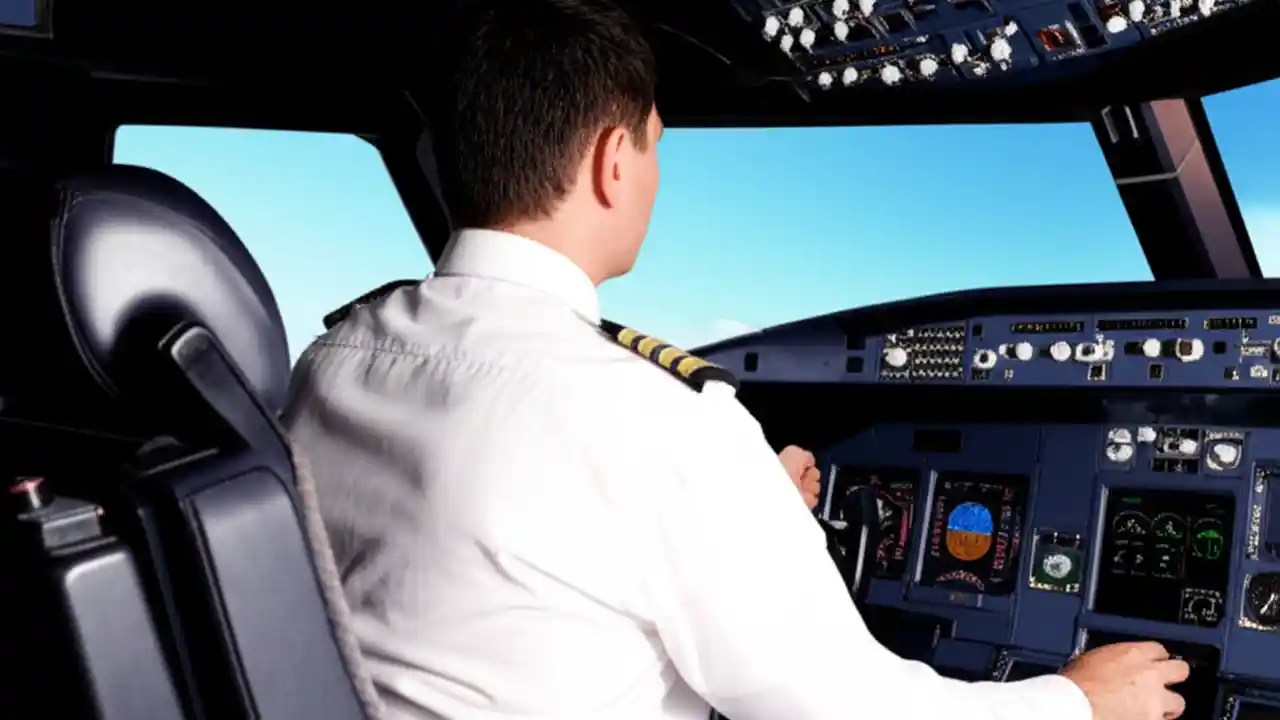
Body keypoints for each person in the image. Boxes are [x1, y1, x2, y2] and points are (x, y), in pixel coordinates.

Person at [282, 1, 1190, 718]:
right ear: (612, 162)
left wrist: (745, 495)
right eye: (655, 146)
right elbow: (849, 709)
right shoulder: (659, 423)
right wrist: (1076, 701)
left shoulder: (333, 360)